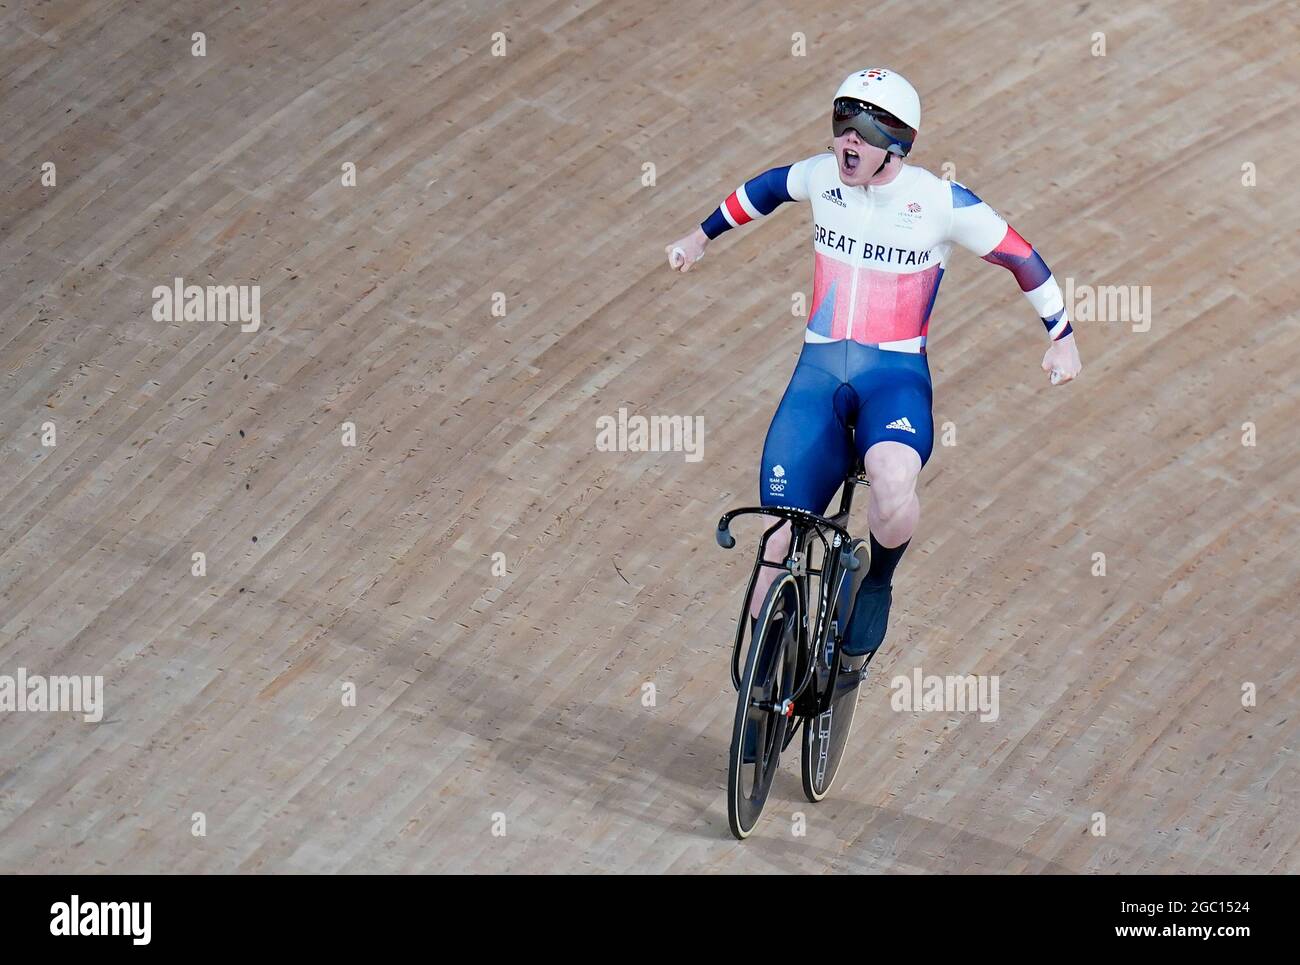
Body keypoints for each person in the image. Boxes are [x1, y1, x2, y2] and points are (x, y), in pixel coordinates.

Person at [666, 67, 1081, 676]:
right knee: (777, 537)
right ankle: (757, 694)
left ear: (898, 145)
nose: (846, 142)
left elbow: (1023, 258)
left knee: (891, 481)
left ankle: (879, 583)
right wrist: (700, 236)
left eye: (862, 131)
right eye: (840, 125)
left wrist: (1061, 337)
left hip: (893, 381)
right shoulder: (820, 176)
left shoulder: (940, 203)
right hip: (819, 376)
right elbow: (764, 190)